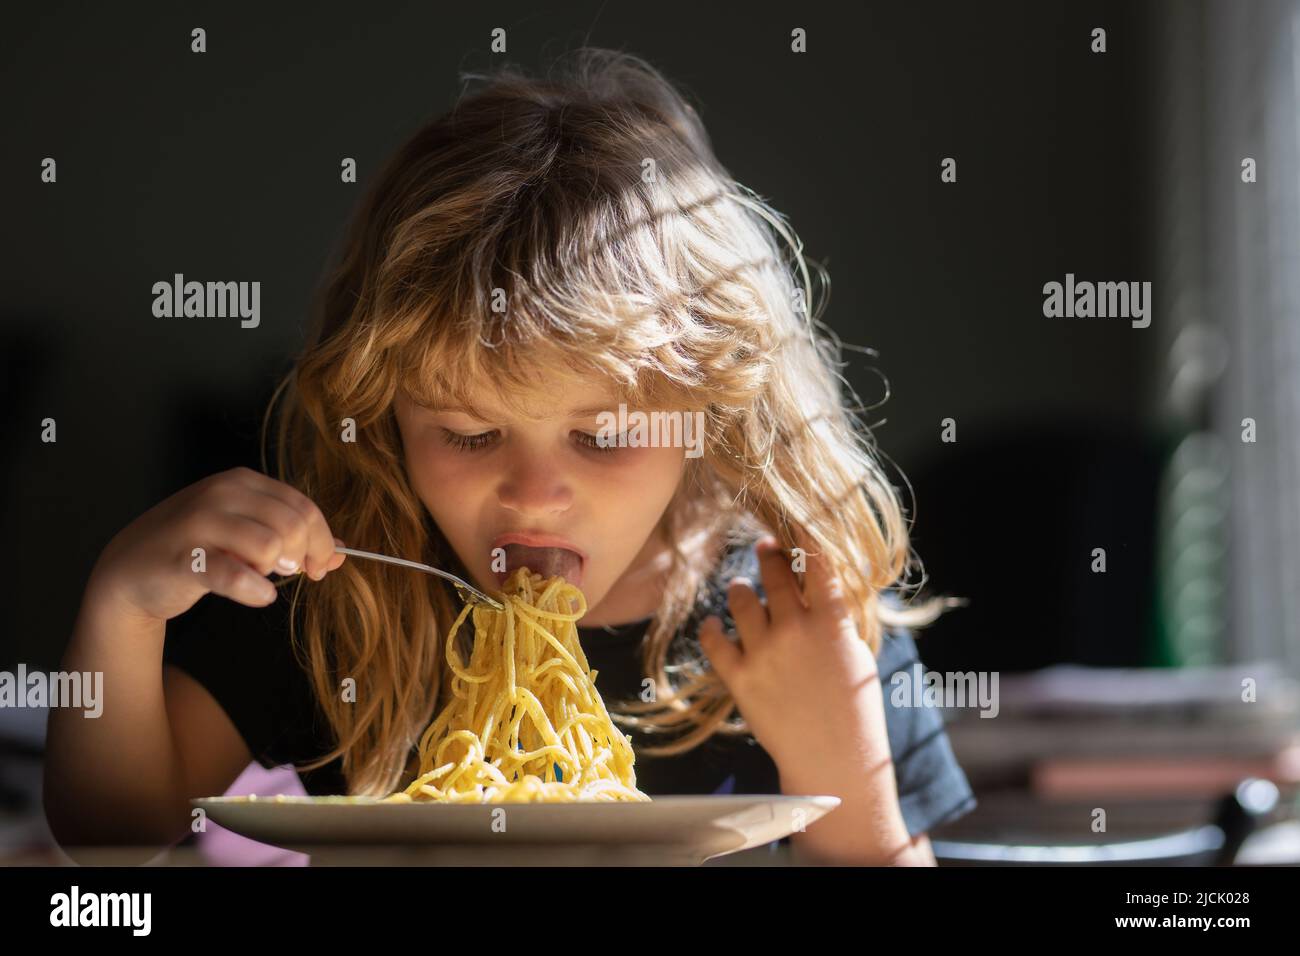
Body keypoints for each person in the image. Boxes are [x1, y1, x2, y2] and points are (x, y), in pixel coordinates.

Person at [44, 47, 975, 865]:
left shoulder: (800, 617)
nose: (534, 496)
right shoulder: (342, 597)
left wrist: (839, 767)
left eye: (604, 438)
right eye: (469, 434)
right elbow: (114, 833)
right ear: (386, 410)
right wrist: (122, 606)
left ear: (711, 414)